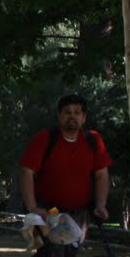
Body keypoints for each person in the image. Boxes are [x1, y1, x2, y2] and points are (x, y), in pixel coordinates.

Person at [20, 94, 112, 229]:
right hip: (49, 213)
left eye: (77, 112)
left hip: (80, 215)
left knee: (72, 250)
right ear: (59, 115)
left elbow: (101, 175)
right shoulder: (45, 138)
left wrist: (101, 205)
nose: (72, 116)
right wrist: (32, 207)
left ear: (84, 117)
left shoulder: (93, 140)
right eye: (67, 112)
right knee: (50, 250)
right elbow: (26, 171)